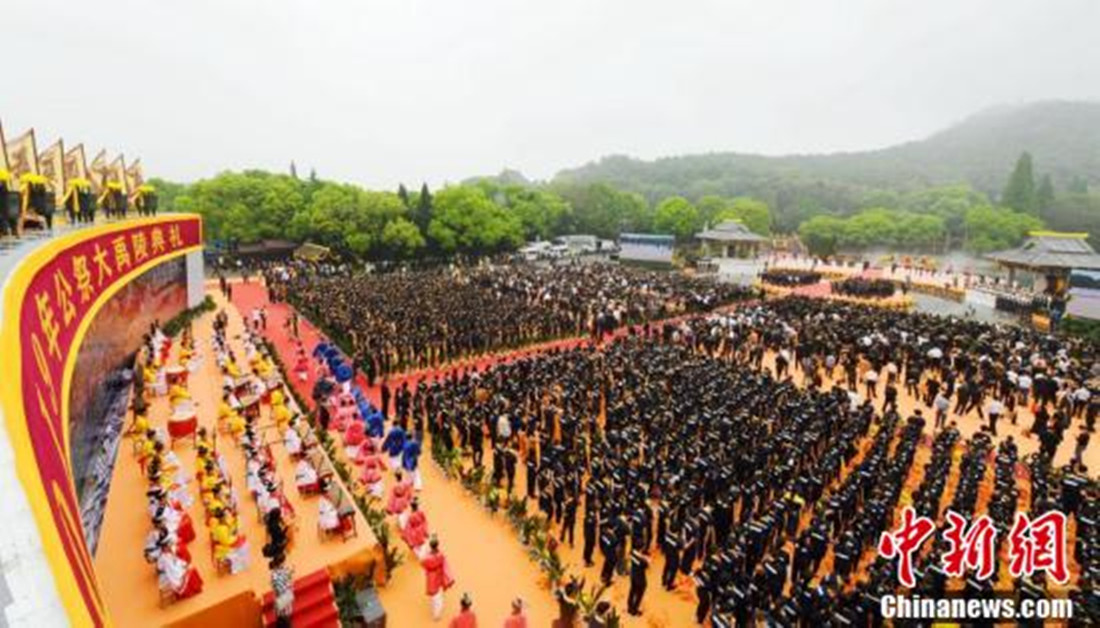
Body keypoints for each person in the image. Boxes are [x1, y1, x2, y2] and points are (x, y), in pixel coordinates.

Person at [422, 537, 455, 621]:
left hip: (431, 577)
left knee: (434, 595)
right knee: (438, 593)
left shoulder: (428, 558)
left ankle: (436, 613)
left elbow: (423, 563)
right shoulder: (441, 554)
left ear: (430, 546)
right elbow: (445, 564)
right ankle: (438, 610)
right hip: (439, 575)